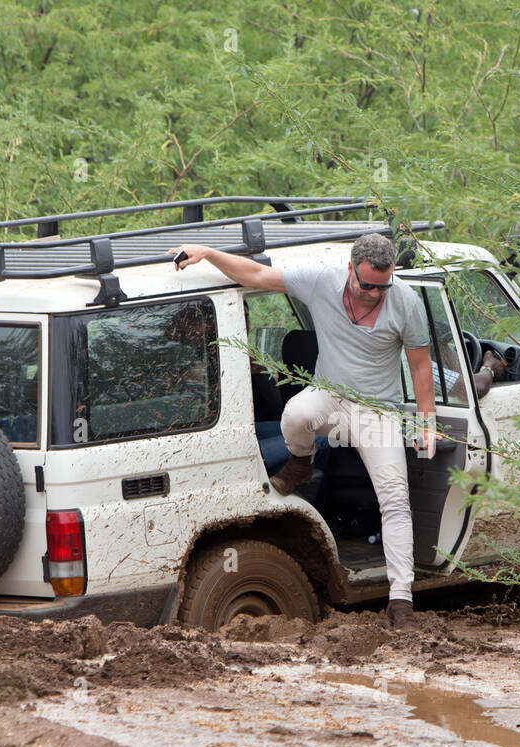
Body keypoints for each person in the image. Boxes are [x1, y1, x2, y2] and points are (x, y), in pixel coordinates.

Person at [167, 233, 436, 630]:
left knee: (395, 500)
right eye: (367, 285)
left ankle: (401, 602)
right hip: (330, 396)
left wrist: (427, 423)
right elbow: (256, 274)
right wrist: (208, 253)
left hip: (378, 411)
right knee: (294, 414)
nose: (375, 294)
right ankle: (301, 462)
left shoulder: (405, 301)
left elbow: (420, 366)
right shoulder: (321, 282)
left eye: (383, 285)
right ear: (350, 271)